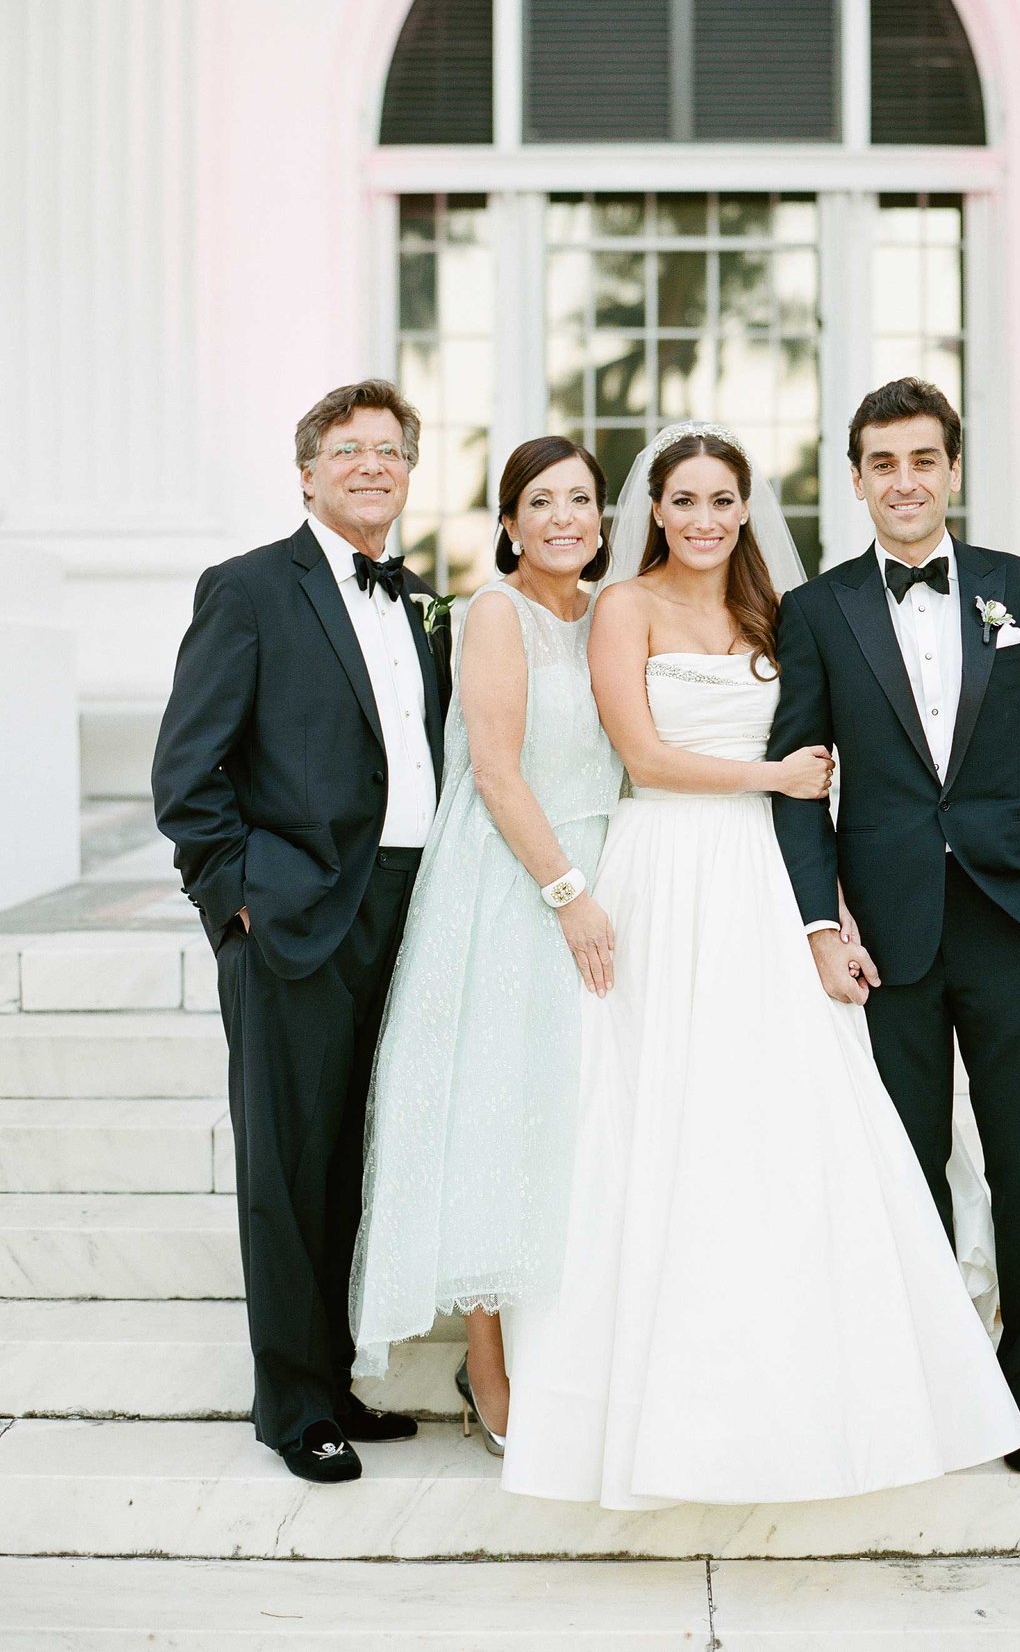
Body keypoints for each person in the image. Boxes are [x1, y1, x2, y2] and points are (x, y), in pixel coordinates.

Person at [500, 421, 1020, 1511]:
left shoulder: (774, 616)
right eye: (682, 499)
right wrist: (770, 773)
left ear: (747, 509)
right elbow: (640, 753)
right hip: (663, 869)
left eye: (721, 500)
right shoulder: (624, 606)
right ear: (654, 508)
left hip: (760, 876)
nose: (702, 519)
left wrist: (825, 911)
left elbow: (818, 773)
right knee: (655, 1114)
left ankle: (810, 1390)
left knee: (786, 1112)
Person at [769, 377, 1020, 1475]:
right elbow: (798, 785)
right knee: (905, 1163)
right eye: (882, 464)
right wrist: (823, 920)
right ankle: (924, 1377)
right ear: (856, 479)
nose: (903, 482)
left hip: (1015, 918)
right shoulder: (816, 612)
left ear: (951, 470)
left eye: (923, 460)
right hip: (889, 935)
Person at [152, 379, 451, 1483]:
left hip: (409, 907)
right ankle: (293, 1405)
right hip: (289, 913)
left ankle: (337, 1377)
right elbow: (188, 773)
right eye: (347, 448)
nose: (370, 465)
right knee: (287, 1162)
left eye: (389, 450)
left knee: (356, 1157)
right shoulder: (245, 589)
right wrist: (235, 897)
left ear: (409, 472)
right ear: (308, 470)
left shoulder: (423, 600)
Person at [349, 437, 623, 1455]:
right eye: (539, 501)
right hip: (514, 885)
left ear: (602, 519)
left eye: (579, 500)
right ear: (508, 522)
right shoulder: (492, 614)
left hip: (604, 865)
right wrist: (567, 894)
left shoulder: (608, 611)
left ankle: (575, 1339)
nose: (562, 517)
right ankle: (488, 1364)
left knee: (577, 1115)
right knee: (500, 1109)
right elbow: (500, 773)